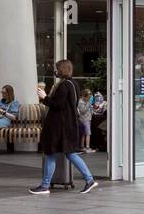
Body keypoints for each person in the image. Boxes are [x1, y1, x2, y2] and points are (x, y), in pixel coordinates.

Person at [30, 59, 97, 195]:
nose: (54, 71)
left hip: (59, 126)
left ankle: (45, 186)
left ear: (61, 70)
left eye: (56, 68)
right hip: (68, 125)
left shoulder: (63, 85)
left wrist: (44, 97)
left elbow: (58, 105)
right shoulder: (74, 84)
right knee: (70, 153)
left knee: (50, 153)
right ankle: (89, 180)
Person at [77, 87, 95, 153]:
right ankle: (87, 147)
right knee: (88, 133)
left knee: (84, 133)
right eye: (88, 97)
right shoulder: (81, 102)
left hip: (87, 118)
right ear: (84, 96)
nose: (89, 99)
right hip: (84, 119)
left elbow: (89, 110)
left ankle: (82, 146)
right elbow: (82, 111)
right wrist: (89, 104)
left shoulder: (86, 101)